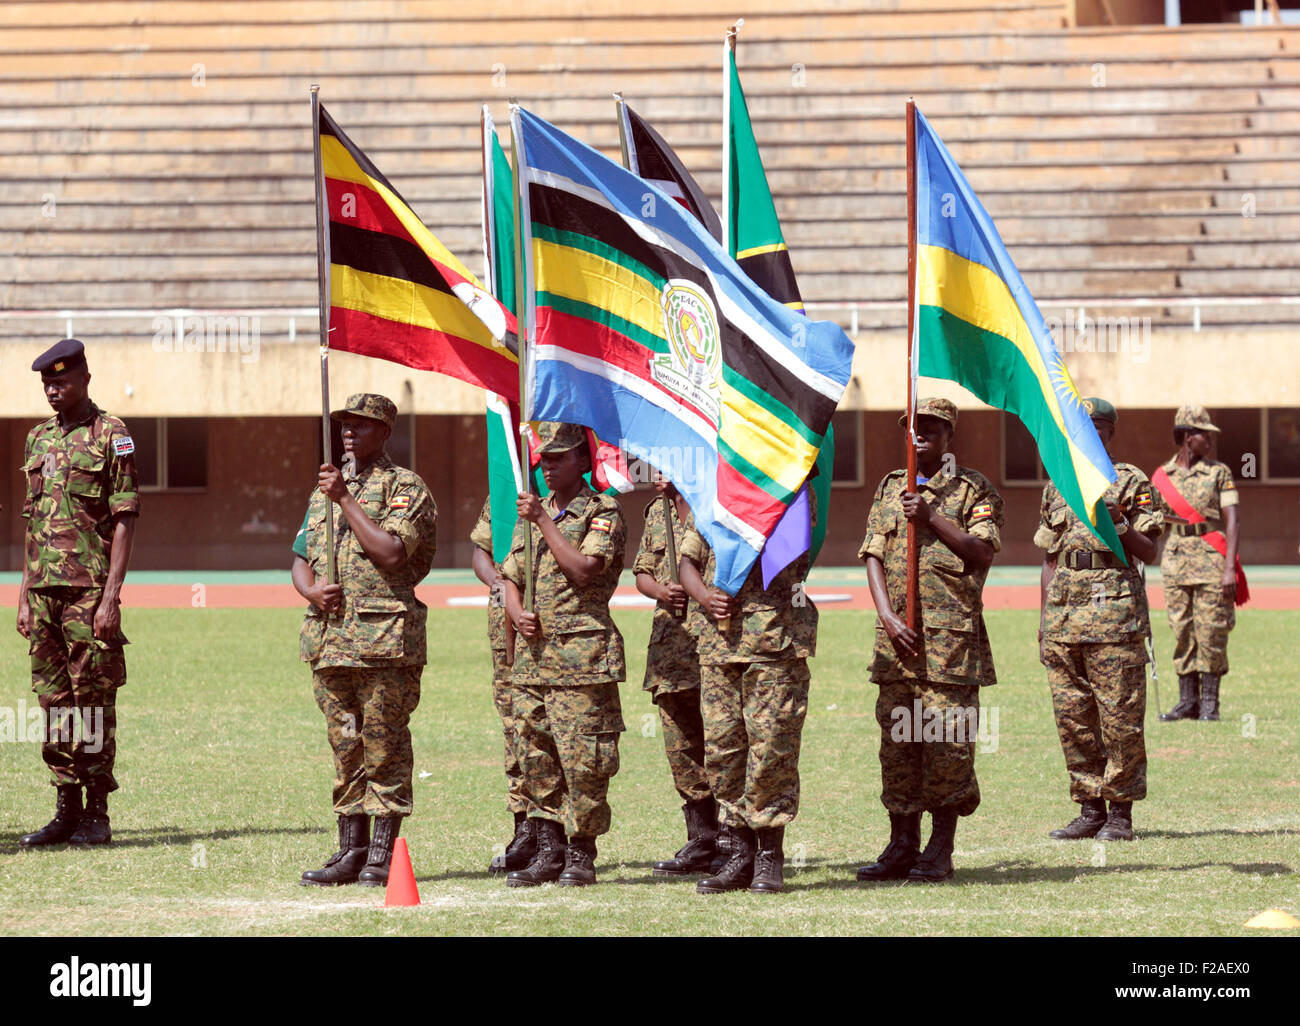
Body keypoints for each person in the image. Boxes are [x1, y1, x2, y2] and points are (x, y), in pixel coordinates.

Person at [292, 393, 436, 887]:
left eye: (362, 425)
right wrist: (311, 589)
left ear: (385, 432)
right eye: (344, 425)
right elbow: (299, 556)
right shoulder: (324, 490)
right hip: (331, 640)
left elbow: (392, 552)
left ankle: (381, 853)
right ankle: (349, 850)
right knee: (345, 745)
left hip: (384, 643)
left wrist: (345, 500)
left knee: (383, 743)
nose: (349, 433)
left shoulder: (405, 487)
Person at [855, 398, 1002, 883]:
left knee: (946, 746)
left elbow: (982, 551)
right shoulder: (890, 487)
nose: (920, 436)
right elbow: (872, 554)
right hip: (897, 642)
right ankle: (901, 845)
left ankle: (940, 849)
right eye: (914, 428)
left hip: (949, 644)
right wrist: (887, 616)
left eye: (932, 429)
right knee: (899, 746)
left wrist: (933, 516)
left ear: (949, 436)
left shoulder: (971, 488)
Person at [17, 339, 139, 848]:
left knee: (92, 702)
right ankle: (65, 809)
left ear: (85, 378)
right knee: (55, 704)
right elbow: (31, 522)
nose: (52, 389)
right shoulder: (38, 439)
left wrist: (112, 597)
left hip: (89, 594)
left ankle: (97, 812)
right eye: (46, 382)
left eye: (61, 381)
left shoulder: (112, 435)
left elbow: (125, 517)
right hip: (44, 594)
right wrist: (23, 593)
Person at [500, 422, 627, 888]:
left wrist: (544, 522)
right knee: (536, 756)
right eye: (544, 459)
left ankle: (581, 852)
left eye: (559, 458)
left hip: (582, 657)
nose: (548, 467)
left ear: (582, 461)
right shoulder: (532, 514)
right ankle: (548, 849)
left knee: (584, 760)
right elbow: (508, 574)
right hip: (533, 661)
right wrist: (516, 612)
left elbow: (585, 570)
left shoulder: (602, 512)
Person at [1036, 398, 1164, 843]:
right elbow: (1049, 559)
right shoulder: (1058, 481)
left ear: (1110, 431)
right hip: (1064, 617)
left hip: (1115, 619)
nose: (1085, 434)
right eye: (1078, 427)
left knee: (1120, 717)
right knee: (1073, 718)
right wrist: (1042, 620)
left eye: (1094, 427)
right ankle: (1089, 808)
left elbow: (1151, 552)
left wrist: (1123, 525)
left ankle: (1121, 814)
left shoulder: (1130, 481)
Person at [677, 491, 818, 895]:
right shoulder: (713, 499)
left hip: (774, 643)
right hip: (720, 647)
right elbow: (687, 562)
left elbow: (791, 558)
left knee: (771, 749)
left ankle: (769, 855)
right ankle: (737, 852)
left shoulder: (787, 497)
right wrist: (704, 595)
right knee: (724, 750)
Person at [632, 476, 716, 876]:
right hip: (669, 647)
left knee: (720, 740)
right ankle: (702, 838)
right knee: (680, 747)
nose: (661, 473)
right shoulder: (656, 512)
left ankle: (733, 838)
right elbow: (642, 572)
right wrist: (660, 592)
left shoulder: (715, 505)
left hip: (711, 641)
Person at [1152, 406, 1242, 723]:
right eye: (1206, 434)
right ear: (1188, 437)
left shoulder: (1220, 473)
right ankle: (1187, 702)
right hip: (1176, 560)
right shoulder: (1163, 476)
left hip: (1211, 560)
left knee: (1212, 630)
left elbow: (1232, 522)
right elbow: (1153, 524)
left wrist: (1230, 566)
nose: (1211, 441)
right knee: (1181, 630)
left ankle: (1209, 704)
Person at [469, 496, 533, 874]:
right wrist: (499, 582)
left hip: (548, 622)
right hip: (505, 629)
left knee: (549, 730)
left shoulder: (577, 493)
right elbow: (481, 549)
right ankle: (523, 827)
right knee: (515, 728)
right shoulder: (504, 487)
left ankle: (556, 833)